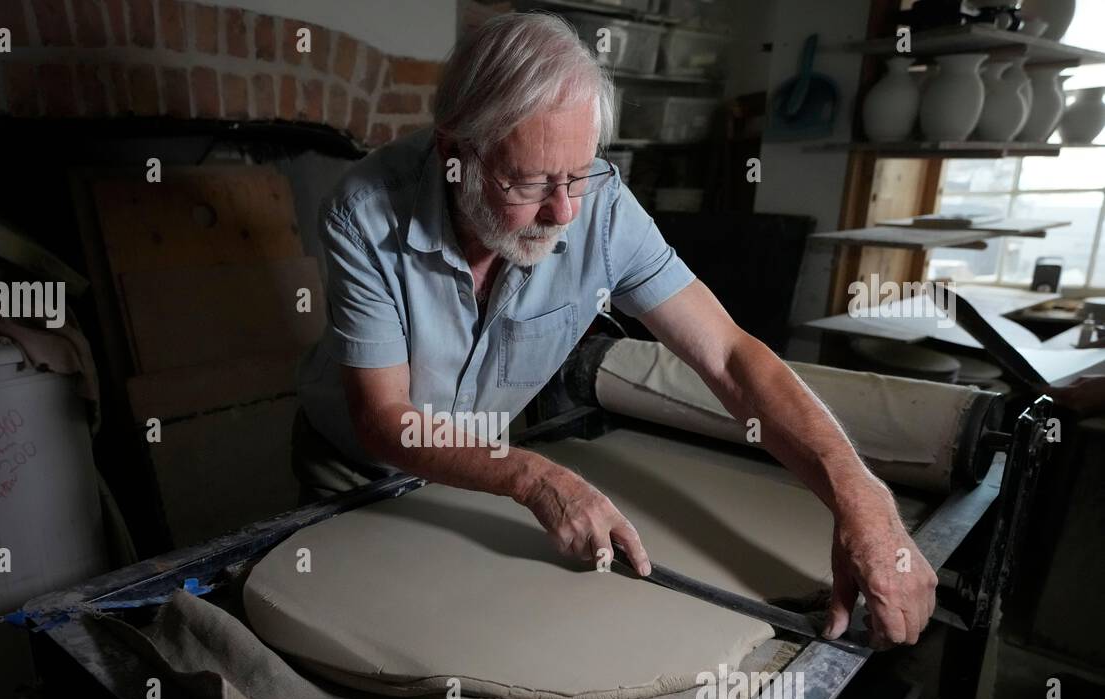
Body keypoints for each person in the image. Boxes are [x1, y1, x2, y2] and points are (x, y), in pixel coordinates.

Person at [292, 12, 934, 646]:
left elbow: (731, 355)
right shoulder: (365, 210)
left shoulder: (601, 209)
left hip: (482, 464)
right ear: (454, 150)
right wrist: (534, 478)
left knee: (461, 631)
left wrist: (862, 498)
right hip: (354, 472)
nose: (564, 210)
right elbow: (384, 419)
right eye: (531, 182)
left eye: (577, 174)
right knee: (360, 640)